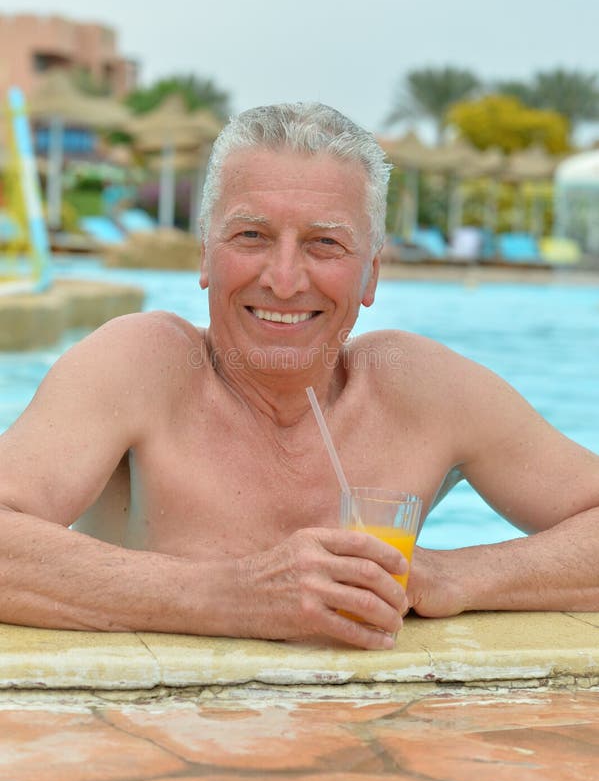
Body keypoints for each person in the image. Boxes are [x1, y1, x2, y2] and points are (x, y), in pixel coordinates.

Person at [1, 102, 598, 651]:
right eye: (251, 236)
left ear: (370, 276)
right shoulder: (141, 365)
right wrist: (235, 594)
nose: (284, 280)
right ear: (205, 256)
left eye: (325, 243)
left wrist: (451, 576)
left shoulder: (420, 388)